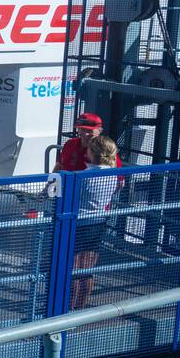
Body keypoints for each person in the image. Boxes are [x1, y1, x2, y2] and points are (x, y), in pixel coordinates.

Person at [71, 136, 120, 309]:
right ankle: (80, 308)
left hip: (79, 224)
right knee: (87, 268)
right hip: (99, 223)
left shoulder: (82, 176)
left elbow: (70, 198)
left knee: (74, 268)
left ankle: (67, 310)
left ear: (92, 152)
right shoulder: (113, 175)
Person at [56, 113, 122, 171]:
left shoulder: (105, 149)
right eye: (82, 129)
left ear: (100, 131)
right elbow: (59, 165)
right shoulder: (70, 143)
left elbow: (118, 179)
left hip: (88, 184)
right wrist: (50, 183)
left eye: (89, 131)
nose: (86, 134)